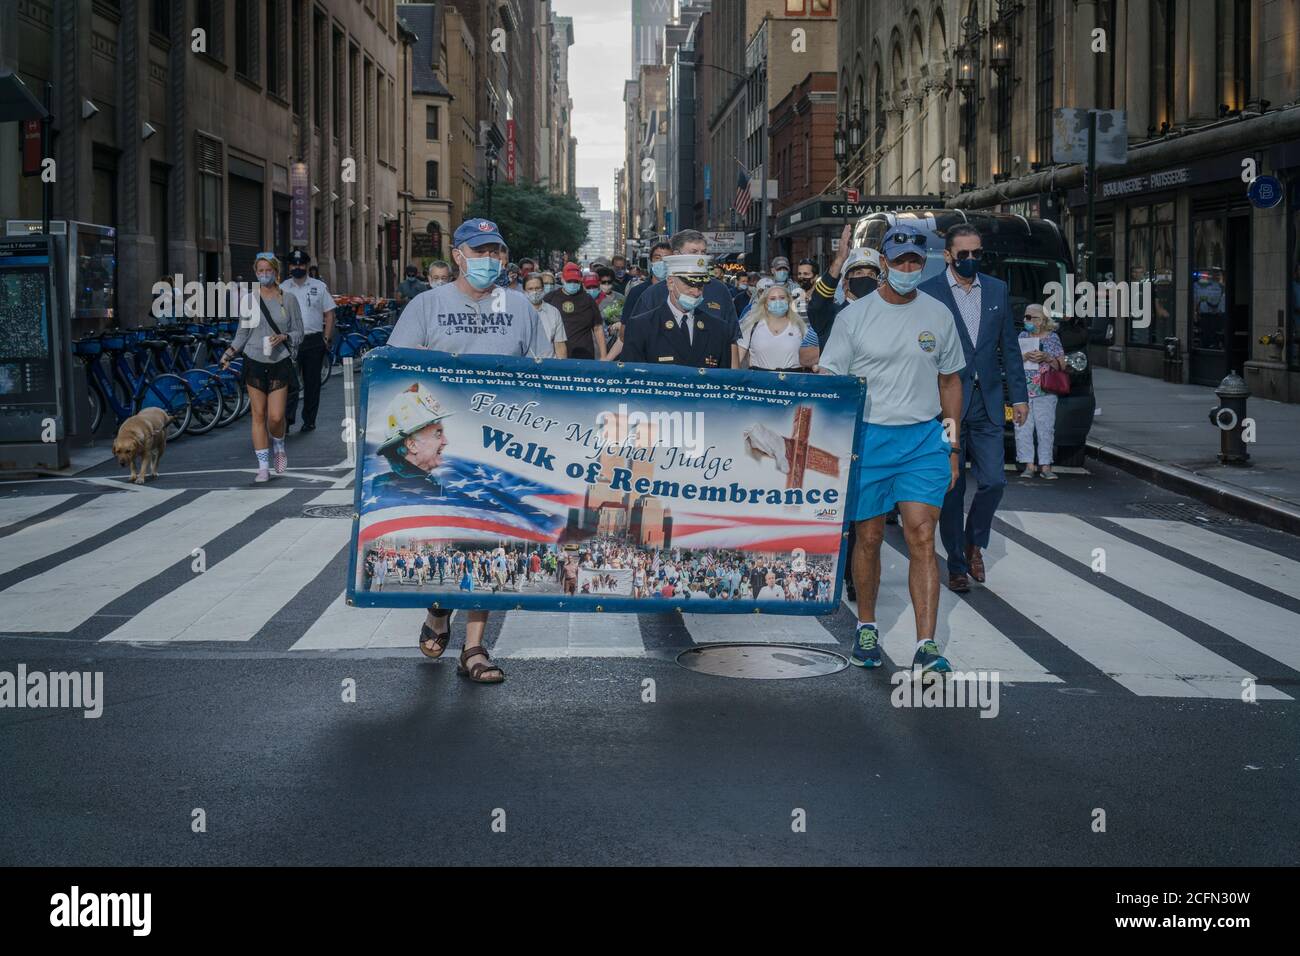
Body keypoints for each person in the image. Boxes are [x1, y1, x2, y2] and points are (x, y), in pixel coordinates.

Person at [385, 216, 548, 685]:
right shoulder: (426, 305)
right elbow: (398, 371)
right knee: (441, 538)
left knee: (490, 540)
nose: (489, 260)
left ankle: (474, 647)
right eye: (479, 252)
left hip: (501, 446)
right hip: (441, 450)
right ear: (458, 255)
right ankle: (439, 610)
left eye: (496, 251)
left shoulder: (519, 308)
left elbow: (543, 375)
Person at [818, 222, 965, 675]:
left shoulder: (938, 314)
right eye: (898, 261)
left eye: (914, 262)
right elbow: (832, 380)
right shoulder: (854, 317)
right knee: (870, 536)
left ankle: (927, 645)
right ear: (883, 263)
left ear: (924, 264)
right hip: (869, 440)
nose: (906, 268)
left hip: (922, 439)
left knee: (923, 535)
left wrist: (952, 444)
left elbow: (950, 380)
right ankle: (866, 625)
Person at [919, 223, 1029, 594]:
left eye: (976, 254)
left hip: (988, 404)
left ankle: (974, 542)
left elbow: (1009, 348)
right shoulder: (929, 294)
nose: (970, 260)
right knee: (951, 487)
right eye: (963, 254)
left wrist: (1020, 396)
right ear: (948, 255)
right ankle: (956, 562)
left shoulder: (996, 289)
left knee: (994, 480)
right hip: (946, 408)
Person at [220, 252, 305, 482]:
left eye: (269, 271)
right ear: (256, 273)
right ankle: (263, 467)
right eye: (261, 271)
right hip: (254, 359)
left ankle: (279, 444)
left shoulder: (288, 299)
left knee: (276, 417)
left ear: (276, 273)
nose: (265, 275)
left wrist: (284, 336)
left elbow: (299, 332)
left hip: (279, 361)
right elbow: (242, 333)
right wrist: (229, 353)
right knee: (258, 415)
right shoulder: (249, 300)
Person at [626, 230, 741, 367]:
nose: (696, 292)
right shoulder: (652, 295)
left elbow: (731, 341)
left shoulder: (720, 292)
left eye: (703, 252)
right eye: (694, 252)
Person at [280, 249, 336, 433]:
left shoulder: (319, 287)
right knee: (288, 383)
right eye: (294, 264)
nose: (297, 267)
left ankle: (309, 420)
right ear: (289, 266)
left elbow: (329, 314)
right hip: (289, 342)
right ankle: (287, 420)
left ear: (307, 266)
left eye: (301, 264)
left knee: (312, 383)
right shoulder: (283, 287)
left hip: (313, 341)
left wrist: (326, 338)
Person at [1015, 304, 1067, 479]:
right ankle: (1028, 465)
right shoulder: (1022, 336)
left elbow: (1062, 365)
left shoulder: (1052, 338)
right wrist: (1024, 356)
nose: (1026, 321)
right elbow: (1012, 360)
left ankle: (1045, 466)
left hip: (1045, 390)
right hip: (1023, 390)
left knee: (1045, 428)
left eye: (1031, 317)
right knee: (1022, 428)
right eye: (1025, 317)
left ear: (1043, 320)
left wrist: (1046, 357)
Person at [808, 224, 881, 344]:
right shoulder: (831, 316)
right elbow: (818, 304)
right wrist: (840, 259)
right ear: (845, 283)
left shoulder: (883, 316)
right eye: (859, 273)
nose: (866, 278)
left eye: (872, 275)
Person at [737, 284, 820, 372]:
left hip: (792, 380)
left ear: (788, 301)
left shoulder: (800, 326)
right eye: (772, 299)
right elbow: (737, 359)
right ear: (765, 303)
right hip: (759, 381)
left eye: (782, 298)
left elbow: (811, 357)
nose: (778, 301)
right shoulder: (752, 325)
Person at [545, 262, 606, 360]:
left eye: (576, 281)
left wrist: (603, 356)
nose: (573, 284)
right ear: (562, 279)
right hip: (557, 355)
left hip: (584, 355)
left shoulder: (588, 299)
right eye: (569, 281)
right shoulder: (550, 298)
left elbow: (598, 328)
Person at [622, 240, 671, 319]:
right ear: (651, 261)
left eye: (666, 259)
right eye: (657, 258)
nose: (662, 262)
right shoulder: (637, 291)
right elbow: (625, 326)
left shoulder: (677, 292)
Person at [523, 272, 568, 358]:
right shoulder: (518, 312)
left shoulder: (554, 312)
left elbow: (560, 345)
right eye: (530, 289)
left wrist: (562, 369)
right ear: (524, 291)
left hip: (548, 365)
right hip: (525, 365)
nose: (534, 292)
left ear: (543, 289)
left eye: (537, 288)